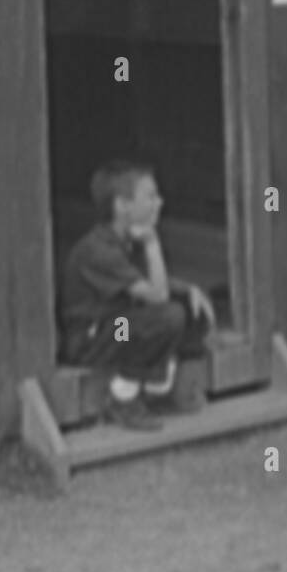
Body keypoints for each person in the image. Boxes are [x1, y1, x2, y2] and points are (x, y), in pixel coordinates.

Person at [58, 160, 216, 431]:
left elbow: (146, 282)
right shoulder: (97, 250)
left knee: (191, 312)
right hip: (93, 339)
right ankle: (123, 396)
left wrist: (190, 290)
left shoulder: (127, 239)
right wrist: (153, 243)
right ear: (122, 205)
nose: (160, 202)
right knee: (166, 317)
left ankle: (164, 385)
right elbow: (157, 296)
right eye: (150, 196)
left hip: (120, 324)